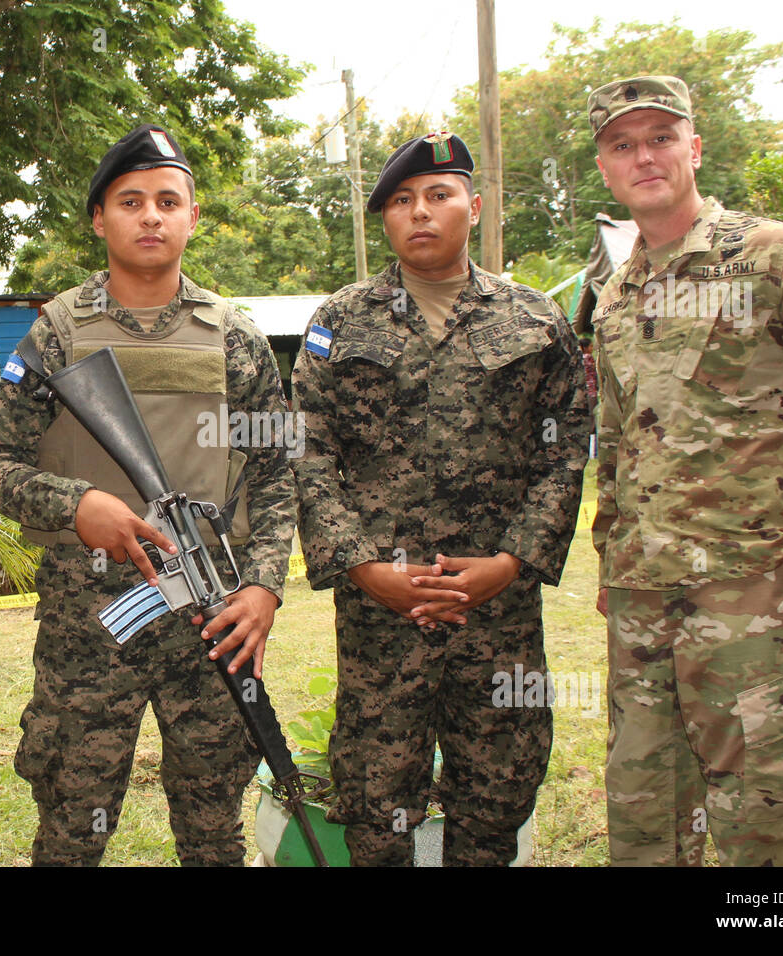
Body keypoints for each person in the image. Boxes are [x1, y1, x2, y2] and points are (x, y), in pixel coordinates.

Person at [587, 75, 783, 865]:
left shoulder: (774, 256)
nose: (644, 156)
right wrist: (608, 559)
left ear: (694, 148)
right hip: (643, 604)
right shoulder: (615, 294)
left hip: (751, 598)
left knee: (768, 822)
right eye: (623, 145)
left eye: (661, 137)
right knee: (645, 822)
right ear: (604, 169)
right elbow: (617, 440)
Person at [0, 124, 295, 866]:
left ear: (191, 216)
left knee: (213, 828)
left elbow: (279, 473)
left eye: (167, 200)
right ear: (99, 218)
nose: (151, 216)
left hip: (213, 611)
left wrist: (267, 590)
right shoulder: (57, 332)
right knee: (72, 822)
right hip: (88, 617)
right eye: (130, 201)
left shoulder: (235, 339)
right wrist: (77, 505)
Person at [292, 132, 590, 866]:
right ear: (384, 221)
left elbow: (564, 451)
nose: (420, 212)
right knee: (374, 802)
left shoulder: (534, 320)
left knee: (495, 796)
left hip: (497, 612)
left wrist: (513, 562)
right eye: (400, 200)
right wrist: (363, 568)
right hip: (380, 616)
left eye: (438, 195)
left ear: (474, 207)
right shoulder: (340, 321)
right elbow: (304, 451)